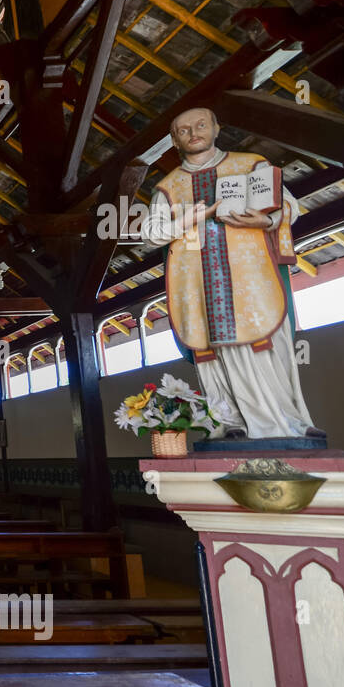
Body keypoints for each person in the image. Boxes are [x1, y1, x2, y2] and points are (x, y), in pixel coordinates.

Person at [140, 107, 321, 440]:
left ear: (216, 127)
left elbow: (289, 206)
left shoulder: (250, 164)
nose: (193, 133)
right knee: (213, 352)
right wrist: (193, 218)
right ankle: (229, 423)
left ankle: (285, 420)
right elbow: (150, 234)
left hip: (252, 278)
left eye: (200, 125)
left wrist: (265, 221)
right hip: (198, 284)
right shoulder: (168, 187)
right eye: (183, 130)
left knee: (265, 342)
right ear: (174, 140)